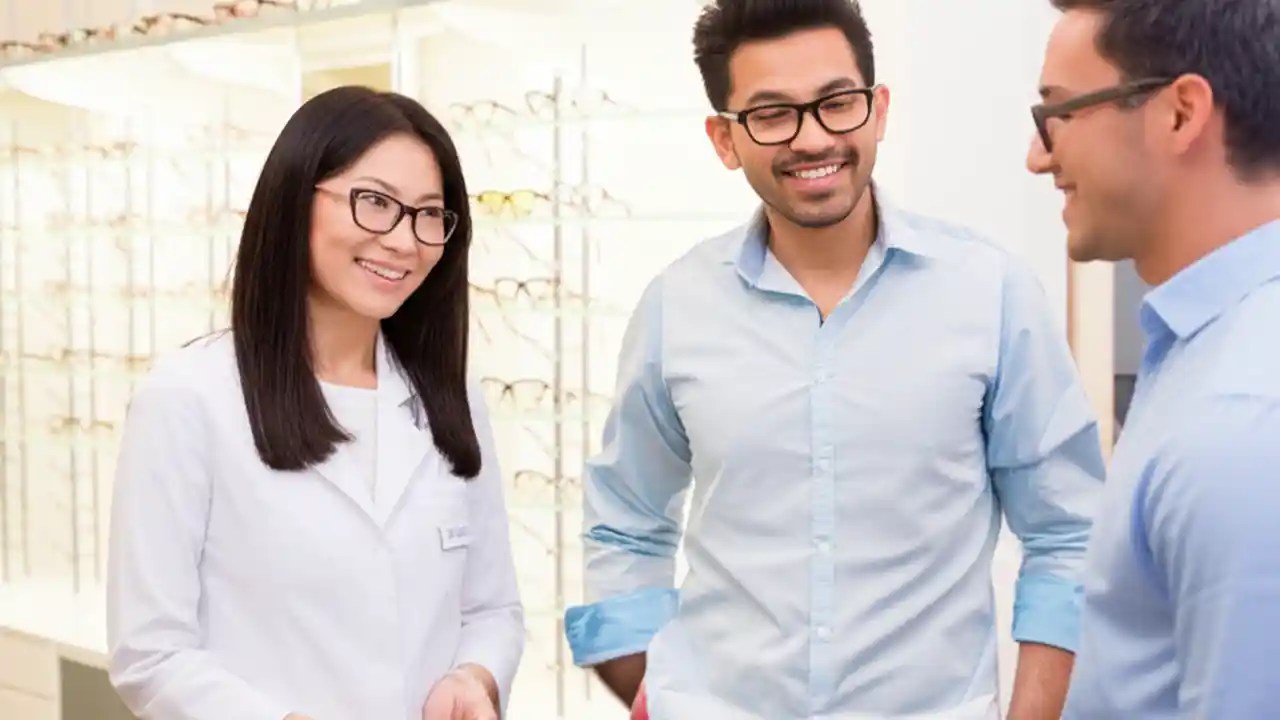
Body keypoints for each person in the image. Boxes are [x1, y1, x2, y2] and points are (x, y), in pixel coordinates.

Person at [563, 1, 1107, 718]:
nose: (812, 136)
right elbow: (625, 523)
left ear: (878, 110)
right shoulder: (676, 306)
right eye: (771, 114)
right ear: (724, 140)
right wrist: (651, 693)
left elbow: (1068, 533)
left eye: (837, 103)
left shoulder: (991, 293)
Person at [106, 86, 524, 720]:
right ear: (295, 200)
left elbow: (491, 608)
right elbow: (150, 652)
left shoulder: (450, 395)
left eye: (429, 214)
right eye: (375, 203)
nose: (405, 241)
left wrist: (474, 677)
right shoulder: (188, 397)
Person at [1027, 1, 1280, 717]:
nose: (1039, 155)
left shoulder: (1242, 419)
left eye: (1060, 114)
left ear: (1179, 113)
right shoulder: (1204, 355)